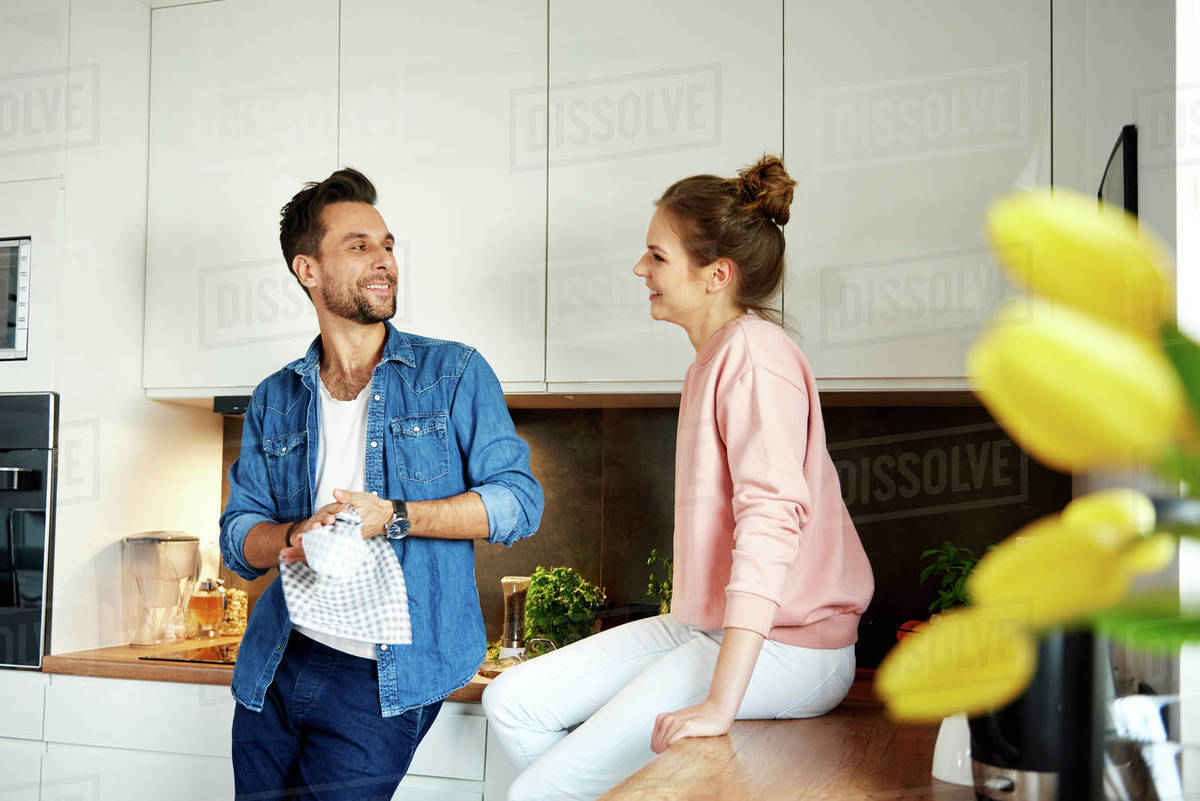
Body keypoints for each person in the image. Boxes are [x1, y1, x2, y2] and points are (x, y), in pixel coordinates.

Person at [482, 155, 874, 800]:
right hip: (708, 625)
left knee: (535, 793)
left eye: (656, 257)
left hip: (793, 647)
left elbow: (771, 524)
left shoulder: (754, 357)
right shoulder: (715, 358)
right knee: (513, 702)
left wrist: (721, 704)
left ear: (717, 274)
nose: (641, 270)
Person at [219, 167, 544, 801]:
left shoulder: (453, 373)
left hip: (380, 678)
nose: (384, 261)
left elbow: (519, 502)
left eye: (388, 244)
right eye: (359, 245)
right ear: (308, 270)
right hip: (276, 665)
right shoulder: (275, 397)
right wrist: (292, 532)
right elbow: (238, 536)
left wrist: (395, 514)